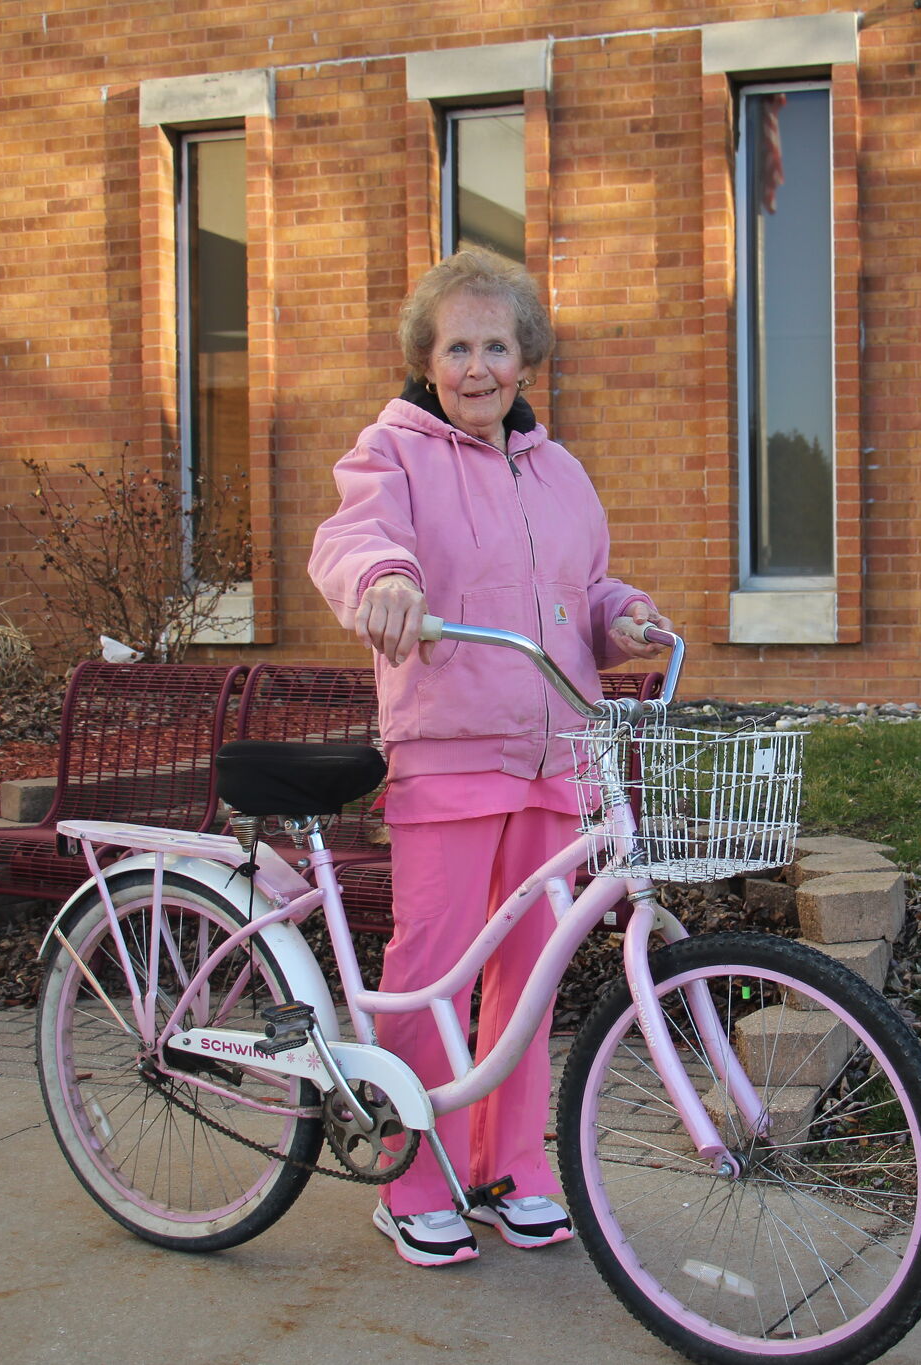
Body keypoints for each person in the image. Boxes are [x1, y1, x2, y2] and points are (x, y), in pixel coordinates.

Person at [308, 247, 671, 1268]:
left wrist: (623, 614)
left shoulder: (557, 470)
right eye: (455, 346)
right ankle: (411, 1172)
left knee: (529, 973)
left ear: (525, 359)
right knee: (429, 973)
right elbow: (355, 539)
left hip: (557, 754)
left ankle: (510, 1164)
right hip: (449, 748)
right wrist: (382, 579)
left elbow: (578, 592)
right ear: (425, 361)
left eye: (495, 345)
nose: (476, 365)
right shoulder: (392, 450)